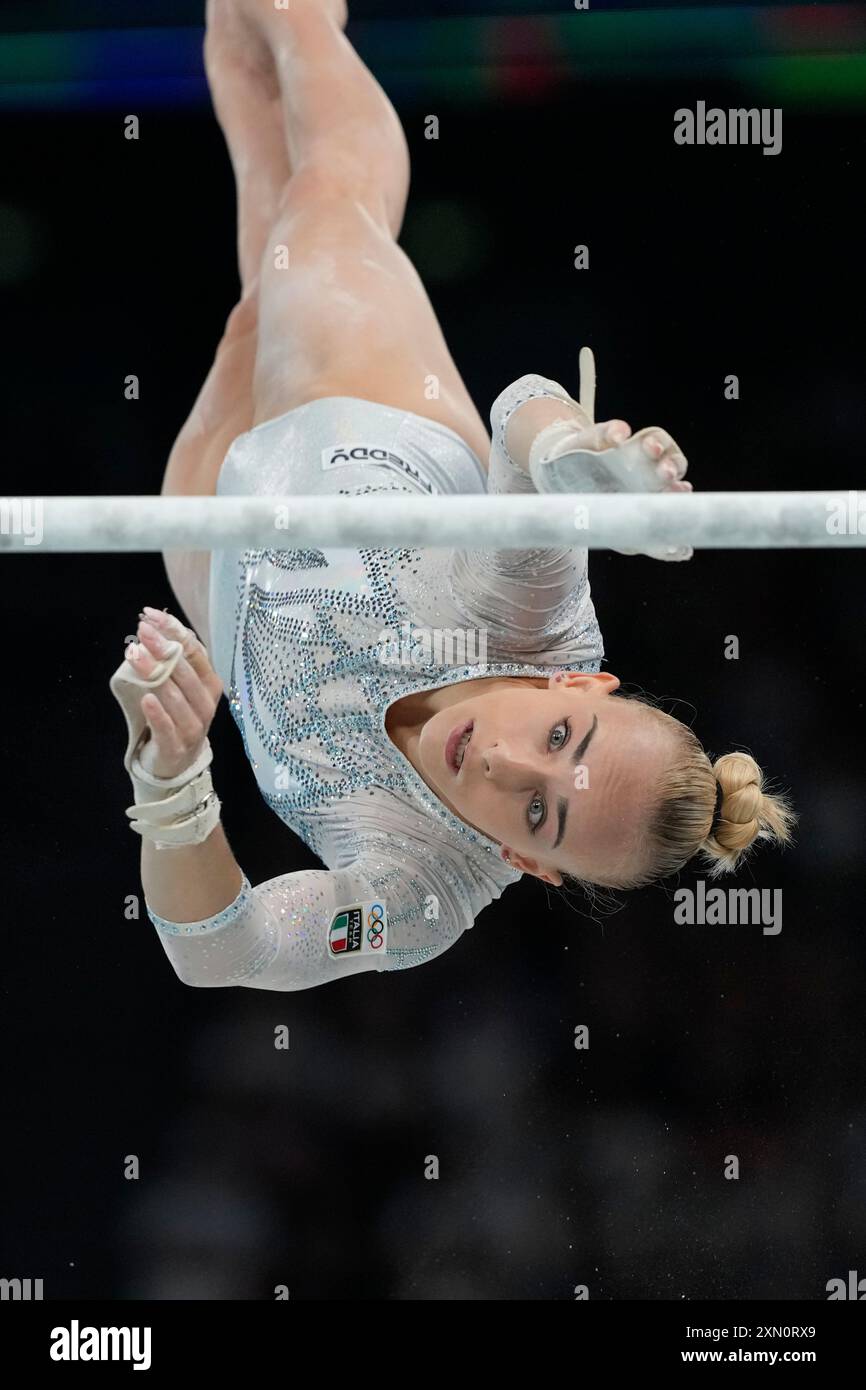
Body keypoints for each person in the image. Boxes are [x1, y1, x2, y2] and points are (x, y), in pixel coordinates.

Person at [109, 0, 794, 992]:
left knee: (255, 299)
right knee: (322, 213)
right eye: (560, 737)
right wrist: (570, 462)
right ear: (578, 687)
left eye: (537, 814)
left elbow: (226, 948)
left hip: (224, 548)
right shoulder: (537, 623)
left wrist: (169, 782)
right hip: (362, 414)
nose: (510, 765)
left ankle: (245, 30)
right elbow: (521, 407)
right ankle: (302, 21)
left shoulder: (421, 893)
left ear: (530, 865)